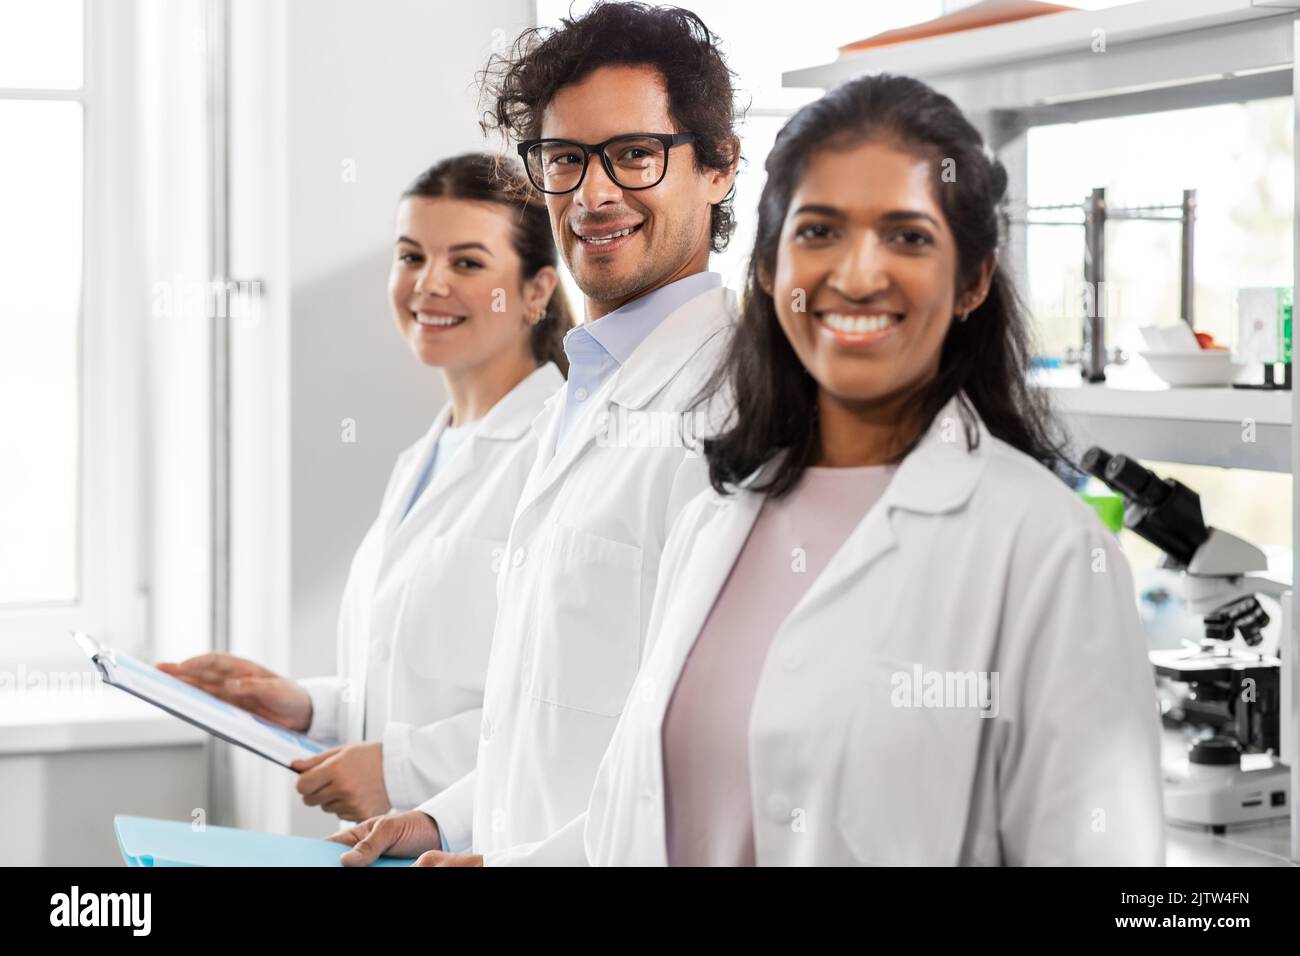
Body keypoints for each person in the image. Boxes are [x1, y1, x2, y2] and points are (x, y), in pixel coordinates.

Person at [584, 73, 1166, 865]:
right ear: (769, 269)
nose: (858, 276)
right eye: (819, 231)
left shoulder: (1047, 549)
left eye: (908, 237)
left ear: (972, 281)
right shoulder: (709, 522)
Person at [329, 2, 741, 865]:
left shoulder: (735, 407)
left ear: (718, 167)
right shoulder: (583, 394)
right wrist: (448, 820)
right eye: (564, 159)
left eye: (635, 154)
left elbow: (709, 761)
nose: (593, 194)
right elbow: (543, 721)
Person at [158, 153, 572, 822]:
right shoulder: (424, 458)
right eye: (411, 257)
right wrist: (309, 707)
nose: (429, 284)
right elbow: (414, 680)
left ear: (536, 290)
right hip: (397, 843)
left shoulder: (557, 454)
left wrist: (400, 772)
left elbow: (568, 711)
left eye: (467, 263)